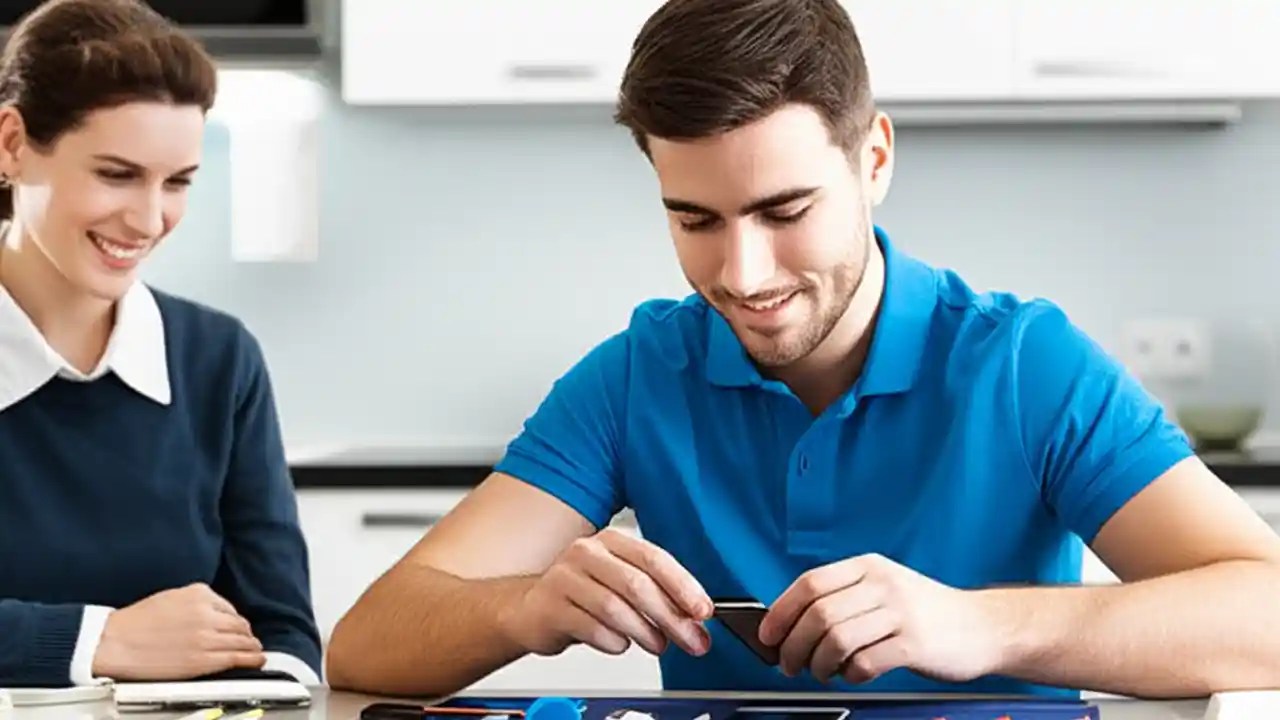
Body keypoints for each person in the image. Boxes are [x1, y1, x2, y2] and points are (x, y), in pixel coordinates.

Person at [325, 0, 1280, 700]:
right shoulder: (638, 374)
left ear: (873, 160)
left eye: (784, 211)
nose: (741, 273)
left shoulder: (1024, 364)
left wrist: (976, 623)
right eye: (694, 218)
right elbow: (365, 647)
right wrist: (521, 608)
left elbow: (1266, 613)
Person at [0, 0, 321, 688]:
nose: (149, 220)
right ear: (12, 145)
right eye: (116, 174)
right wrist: (98, 639)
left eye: (176, 183)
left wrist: (271, 690)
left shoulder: (219, 358)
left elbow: (283, 632)